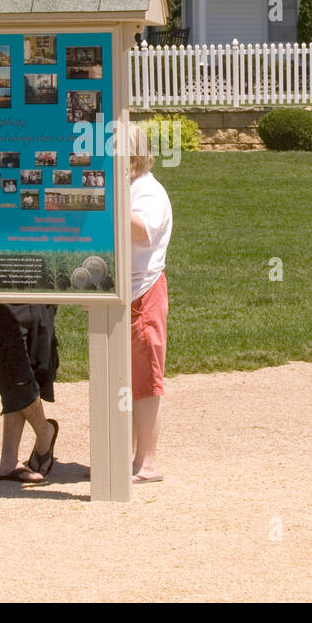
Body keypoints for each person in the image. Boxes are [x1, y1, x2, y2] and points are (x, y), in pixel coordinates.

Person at [126, 122, 172, 483]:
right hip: (120, 295)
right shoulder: (126, 189)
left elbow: (142, 230)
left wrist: (99, 201)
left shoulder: (149, 192)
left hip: (143, 294)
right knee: (124, 381)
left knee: (146, 381)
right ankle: (129, 458)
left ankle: (148, 462)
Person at [0, 304, 59, 482]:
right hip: (0, 301)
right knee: (12, 371)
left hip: (38, 298)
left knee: (32, 369)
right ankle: (45, 432)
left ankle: (8, 462)